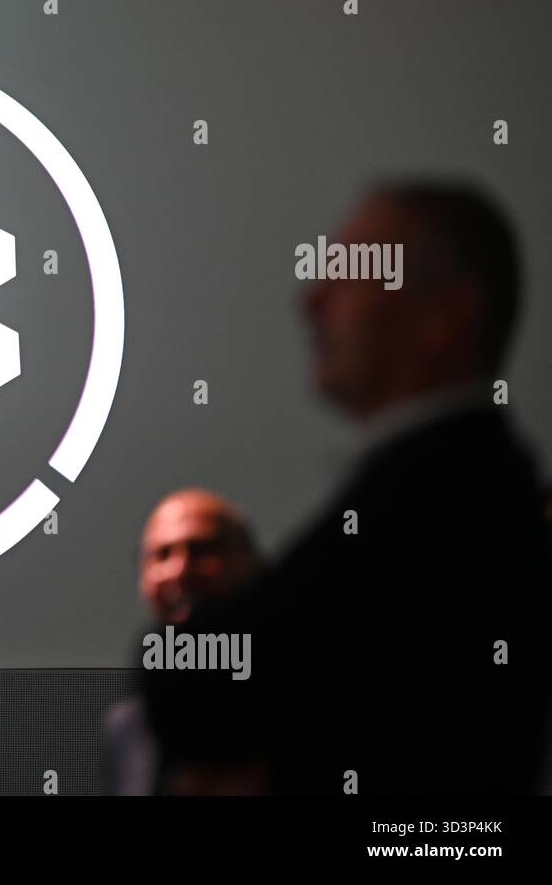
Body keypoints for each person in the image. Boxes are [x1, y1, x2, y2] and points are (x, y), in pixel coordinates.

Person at [142, 183, 552, 794]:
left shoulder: (434, 501)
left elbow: (193, 692)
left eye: (353, 273)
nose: (310, 301)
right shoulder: (459, 483)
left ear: (448, 316)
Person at [102, 488, 261, 794]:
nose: (180, 570)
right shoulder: (126, 728)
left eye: (202, 551)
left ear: (250, 562)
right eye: (161, 555)